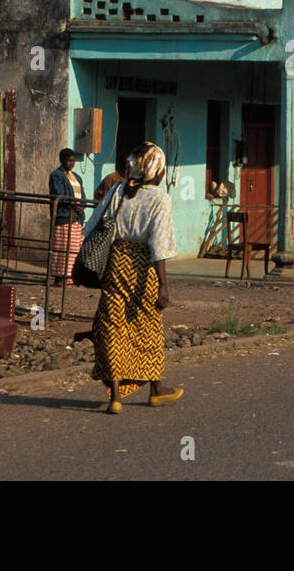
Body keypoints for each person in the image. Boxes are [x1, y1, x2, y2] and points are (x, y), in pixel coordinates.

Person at [90, 141, 183, 413]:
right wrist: (164, 286)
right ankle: (156, 389)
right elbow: (160, 245)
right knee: (148, 327)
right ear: (157, 170)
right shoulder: (159, 198)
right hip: (143, 269)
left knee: (113, 326)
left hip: (115, 264)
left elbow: (94, 224)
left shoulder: (118, 190)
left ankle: (116, 397)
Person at [49, 149, 85, 284]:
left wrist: (82, 206)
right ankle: (60, 277)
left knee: (74, 248)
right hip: (64, 216)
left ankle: (70, 277)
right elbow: (60, 194)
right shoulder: (56, 175)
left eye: (73, 161)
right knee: (63, 247)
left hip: (76, 217)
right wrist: (74, 205)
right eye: (69, 160)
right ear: (62, 161)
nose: (71, 163)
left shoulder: (77, 177)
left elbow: (82, 194)